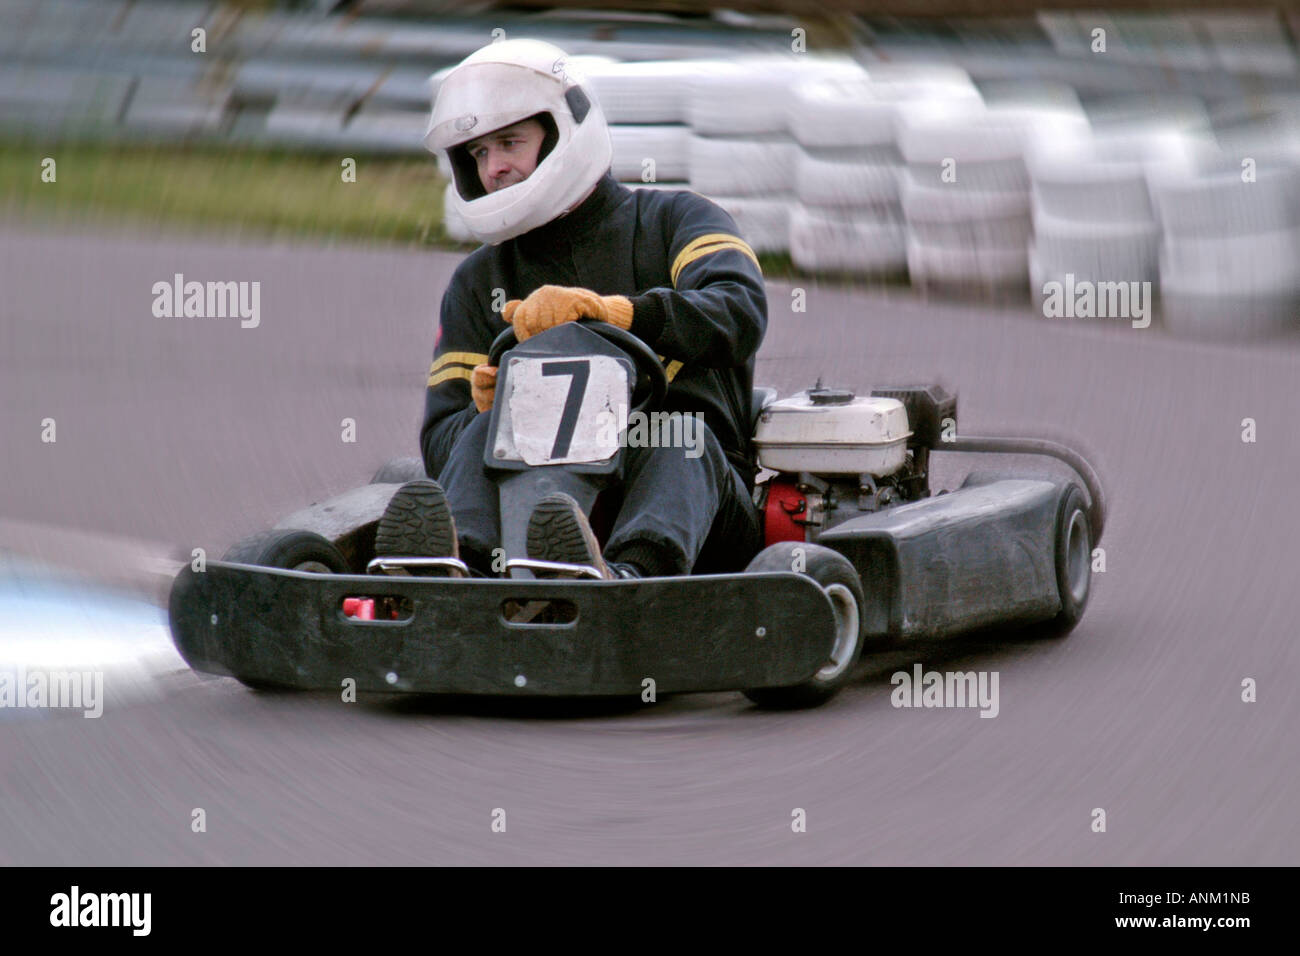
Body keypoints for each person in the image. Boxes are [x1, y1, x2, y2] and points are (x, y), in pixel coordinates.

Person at [374, 38, 767, 579]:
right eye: (480, 154)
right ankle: (456, 573)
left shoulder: (678, 221)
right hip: (532, 509)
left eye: (510, 143)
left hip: (701, 516)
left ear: (565, 130)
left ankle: (628, 581)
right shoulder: (478, 280)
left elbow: (739, 312)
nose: (494, 169)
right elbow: (441, 443)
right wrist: (484, 413)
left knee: (680, 435)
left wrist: (617, 315)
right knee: (480, 432)